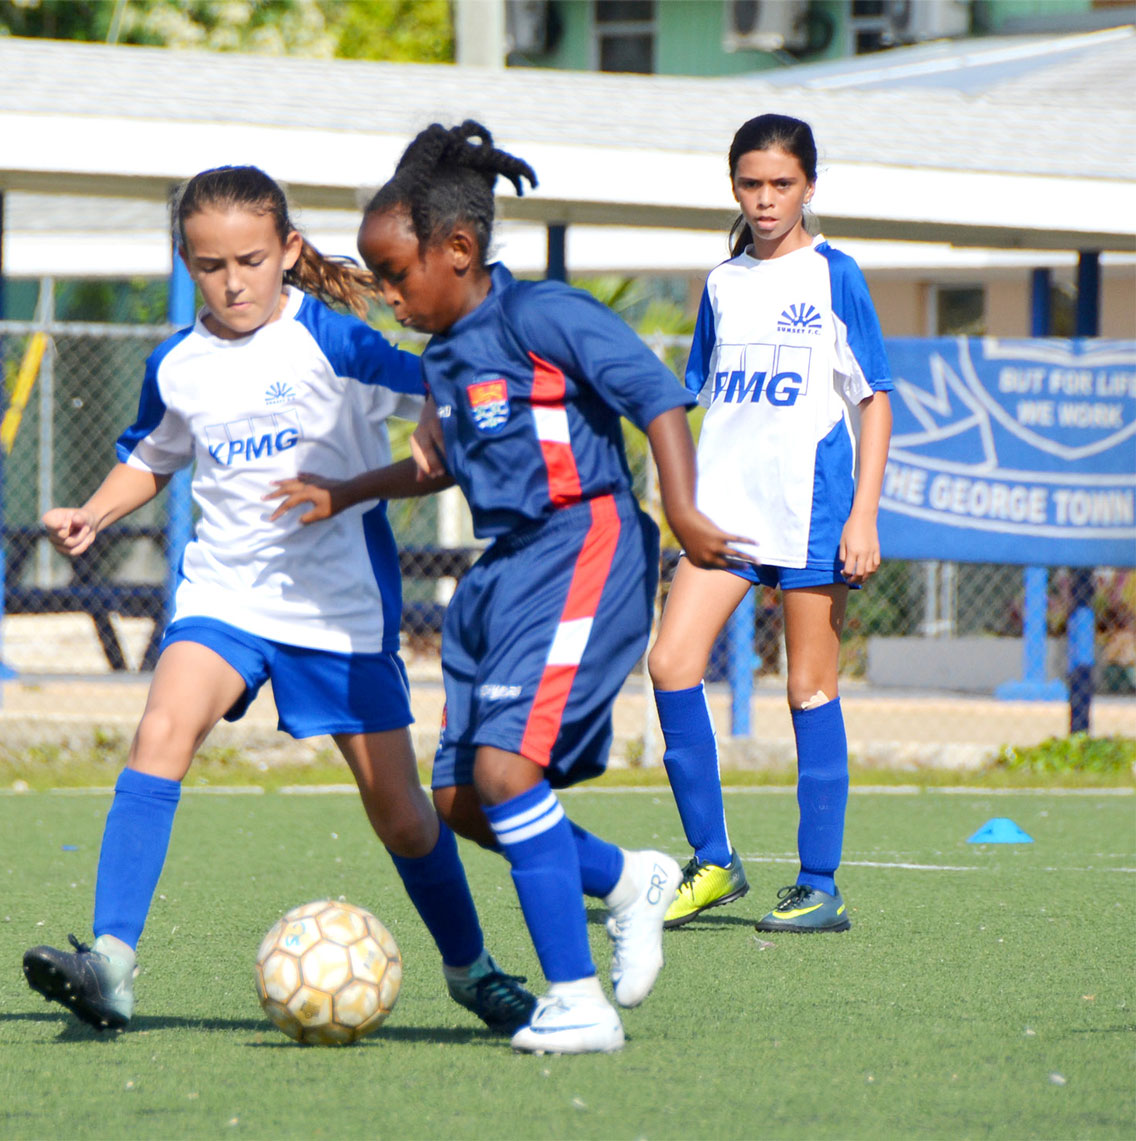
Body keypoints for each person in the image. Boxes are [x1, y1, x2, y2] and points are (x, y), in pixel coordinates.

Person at [22, 165, 535, 1036]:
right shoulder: (178, 363)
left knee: (404, 816)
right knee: (161, 731)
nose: (232, 282)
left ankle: (470, 969)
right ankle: (109, 961)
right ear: (187, 263)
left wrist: (469, 405)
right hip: (225, 595)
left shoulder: (331, 342)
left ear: (289, 251)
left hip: (337, 611)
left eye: (251, 260)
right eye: (209, 264)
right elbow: (151, 453)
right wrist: (94, 511)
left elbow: (436, 384)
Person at [269, 121, 745, 1054]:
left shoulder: (544, 318)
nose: (391, 295)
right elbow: (439, 464)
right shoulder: (447, 355)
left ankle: (577, 1000)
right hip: (502, 573)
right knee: (461, 802)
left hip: (584, 543)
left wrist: (684, 510)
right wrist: (346, 489)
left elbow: (656, 395)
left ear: (459, 248)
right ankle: (625, 879)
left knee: (506, 771)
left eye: (398, 274)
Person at [648, 113, 893, 935]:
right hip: (724, 515)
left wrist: (863, 513)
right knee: (671, 662)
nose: (764, 198)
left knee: (808, 688)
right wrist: (680, 502)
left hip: (813, 509)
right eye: (750, 183)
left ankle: (819, 883)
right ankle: (714, 862)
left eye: (781, 183)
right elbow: (702, 400)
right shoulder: (721, 283)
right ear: (734, 187)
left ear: (809, 187)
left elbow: (875, 398)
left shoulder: (836, 274)